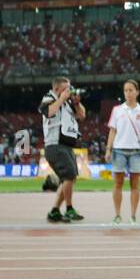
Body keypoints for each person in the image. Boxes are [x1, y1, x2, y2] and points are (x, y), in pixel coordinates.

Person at [105, 79, 140, 224]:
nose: (128, 93)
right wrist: (108, 149)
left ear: (137, 92)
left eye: (131, 90)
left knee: (135, 184)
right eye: (126, 90)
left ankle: (133, 215)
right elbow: (112, 131)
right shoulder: (117, 110)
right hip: (119, 149)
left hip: (136, 151)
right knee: (118, 183)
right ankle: (117, 214)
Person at [40, 76, 86, 223]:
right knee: (69, 177)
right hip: (55, 144)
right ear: (56, 88)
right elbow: (48, 112)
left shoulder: (67, 103)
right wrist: (62, 99)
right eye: (66, 88)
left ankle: (54, 211)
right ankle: (69, 209)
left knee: (69, 178)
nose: (69, 91)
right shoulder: (49, 97)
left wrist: (77, 103)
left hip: (66, 145)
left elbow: (82, 115)